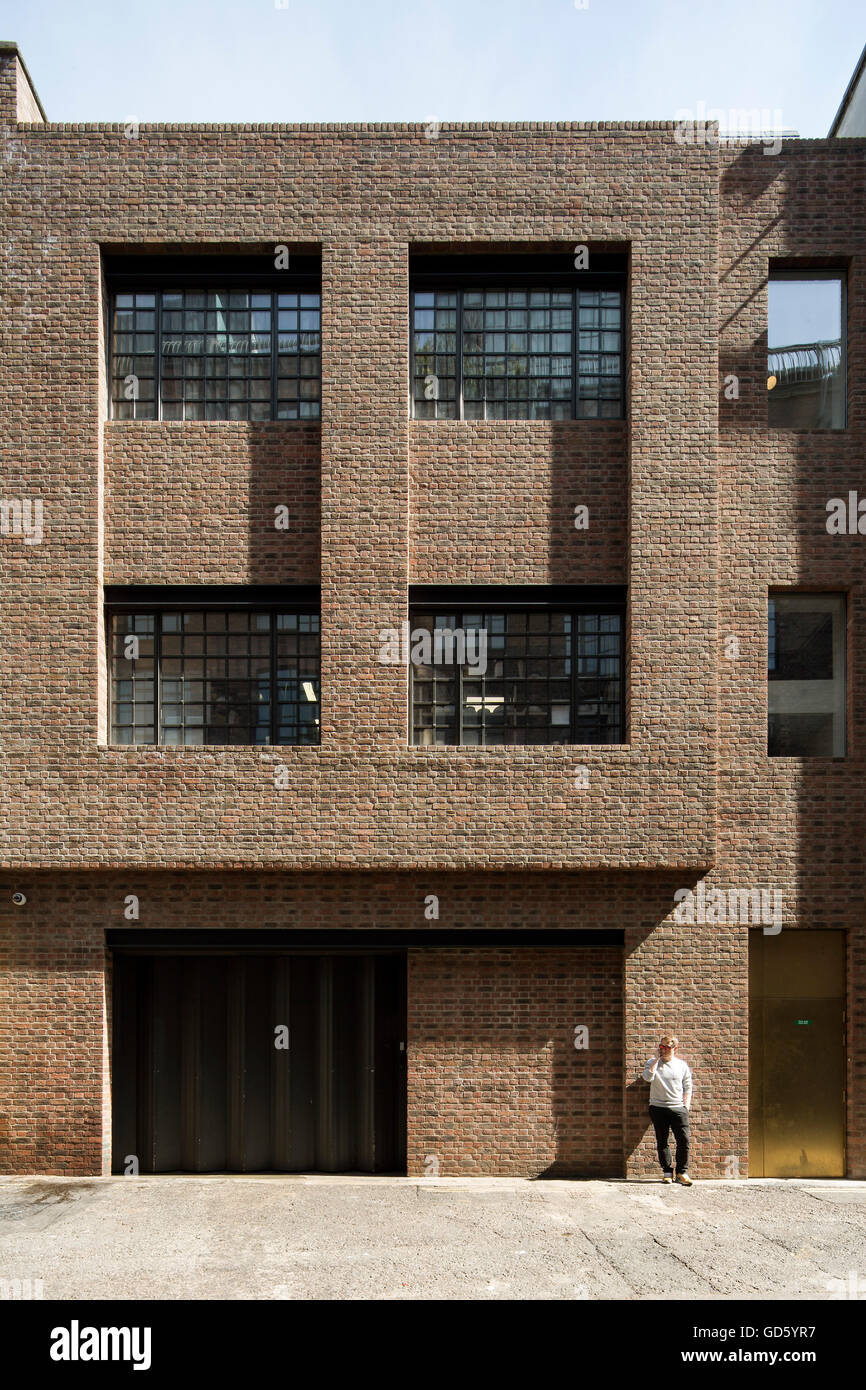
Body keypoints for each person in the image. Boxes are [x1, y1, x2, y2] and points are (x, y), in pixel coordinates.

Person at [641, 1034, 694, 1185]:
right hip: (658, 1107)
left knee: (684, 1141)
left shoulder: (681, 1065)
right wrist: (656, 1059)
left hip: (678, 1108)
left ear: (675, 1048)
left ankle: (682, 1172)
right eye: (661, 1047)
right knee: (662, 1141)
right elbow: (647, 1077)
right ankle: (667, 1172)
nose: (663, 1050)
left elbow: (688, 1086)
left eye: (667, 1047)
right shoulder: (652, 1062)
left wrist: (685, 1106)